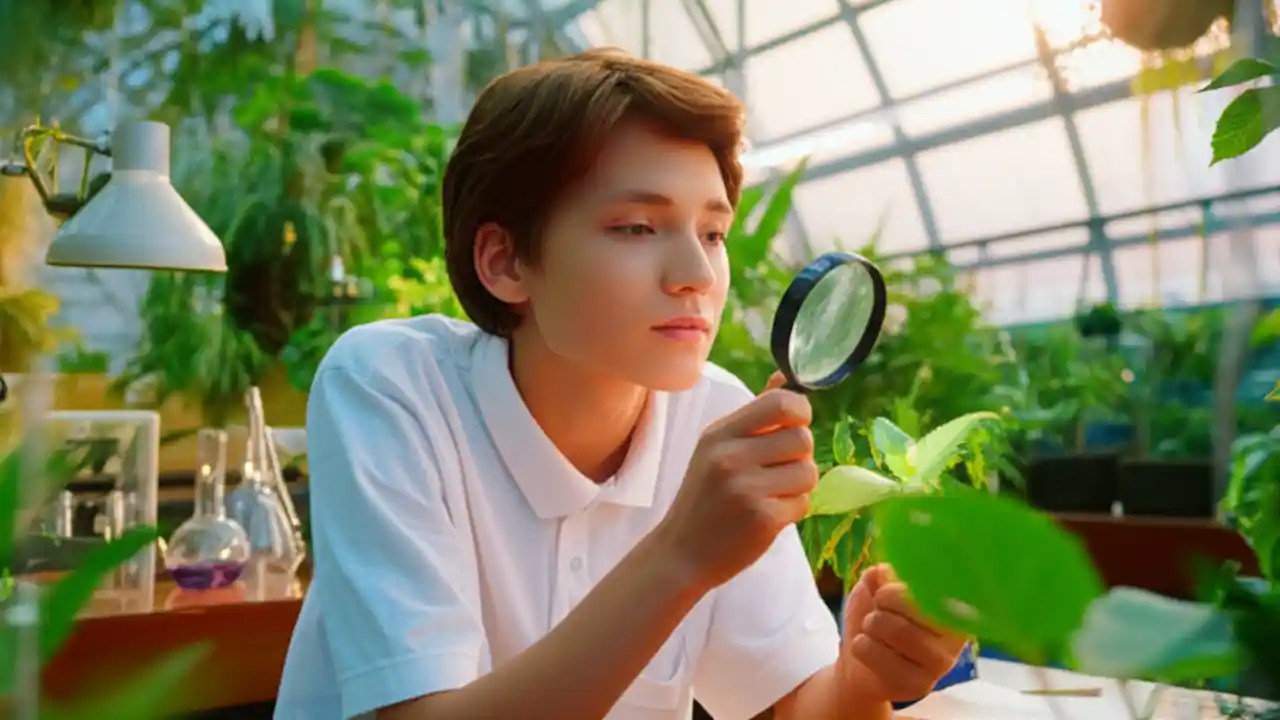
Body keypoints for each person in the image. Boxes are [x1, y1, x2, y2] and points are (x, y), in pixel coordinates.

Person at [274, 48, 966, 720]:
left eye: (715, 232)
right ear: (505, 260)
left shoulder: (716, 413)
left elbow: (791, 707)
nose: (696, 272)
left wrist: (866, 673)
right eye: (637, 227)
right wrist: (680, 557)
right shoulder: (391, 388)